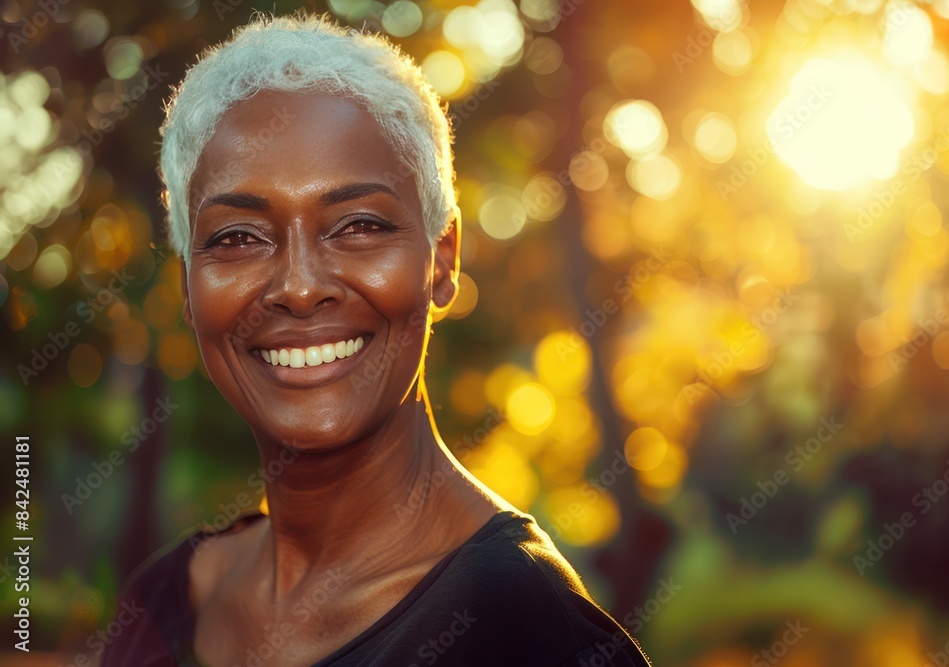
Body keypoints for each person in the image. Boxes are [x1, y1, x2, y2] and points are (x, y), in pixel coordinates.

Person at [103, 13, 652, 667]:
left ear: (442, 260)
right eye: (238, 237)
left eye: (359, 224)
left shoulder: (529, 631)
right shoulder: (161, 605)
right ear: (189, 288)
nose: (300, 288)